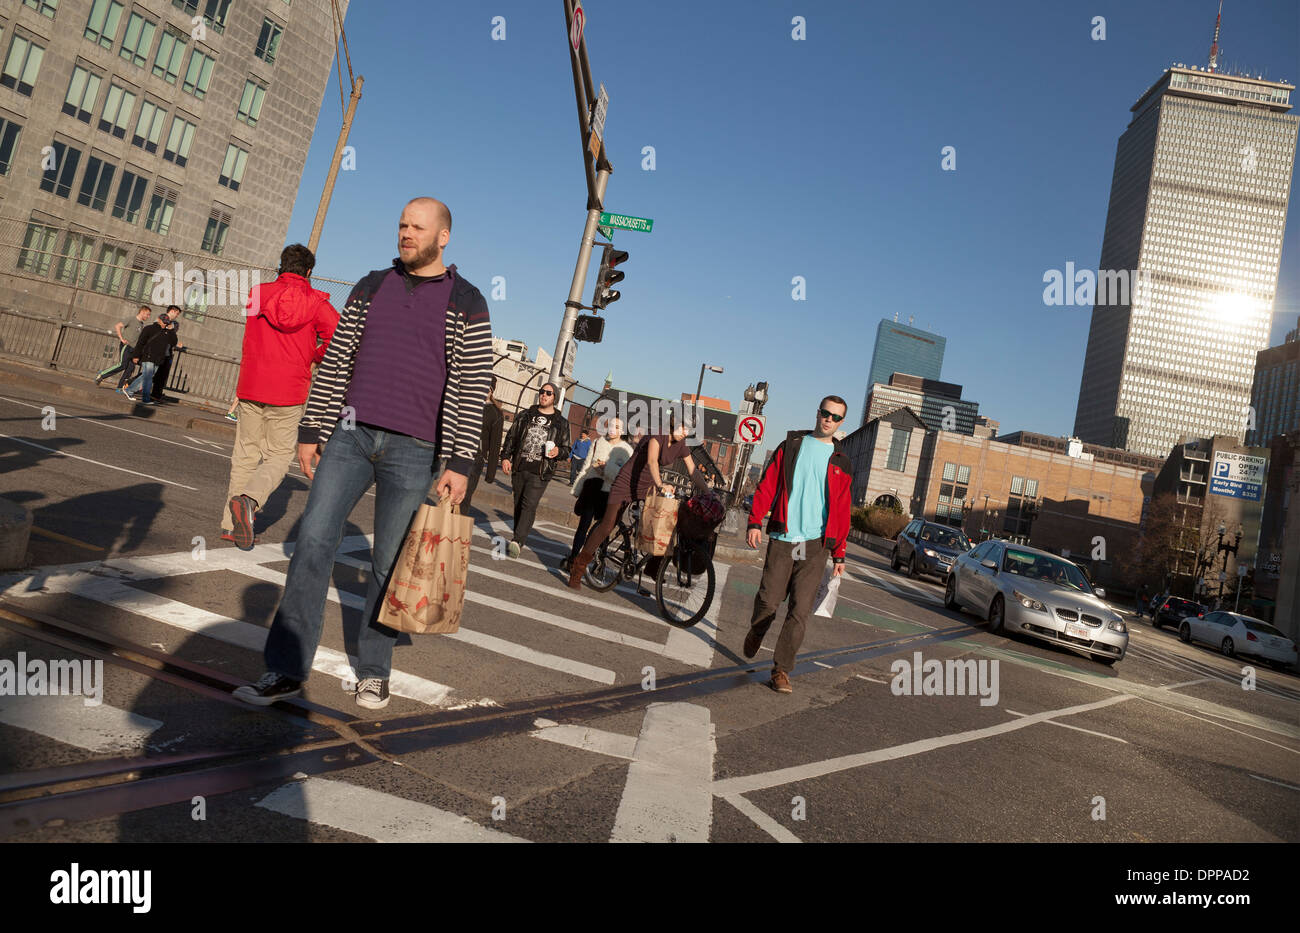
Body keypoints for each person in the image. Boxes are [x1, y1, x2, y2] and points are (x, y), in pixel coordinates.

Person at [233, 196, 492, 711]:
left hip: (416, 450)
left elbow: (473, 386)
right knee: (311, 541)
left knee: (388, 564)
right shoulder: (372, 285)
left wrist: (461, 462)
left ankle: (373, 671)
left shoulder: (467, 300)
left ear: (444, 237)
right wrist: (312, 427)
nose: (406, 233)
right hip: (350, 438)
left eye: (418, 227)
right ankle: (284, 670)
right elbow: (336, 362)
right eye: (401, 225)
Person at [222, 243, 338, 549]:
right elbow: (339, 337)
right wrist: (315, 355)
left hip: (252, 382)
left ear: (280, 266)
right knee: (278, 456)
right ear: (310, 272)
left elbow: (252, 332)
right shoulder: (318, 304)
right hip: (289, 388)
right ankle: (250, 500)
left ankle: (229, 524)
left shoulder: (256, 294)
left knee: (245, 454)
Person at [742, 396, 854, 694]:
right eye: (825, 413)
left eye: (836, 417)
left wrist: (840, 552)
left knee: (800, 610)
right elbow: (768, 484)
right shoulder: (792, 445)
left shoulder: (841, 462)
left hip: (816, 545)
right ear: (817, 413)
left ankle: (781, 670)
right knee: (768, 601)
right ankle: (758, 629)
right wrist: (755, 521)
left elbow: (843, 511)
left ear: (842, 422)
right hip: (783, 537)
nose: (829, 419)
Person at [567, 409, 707, 589]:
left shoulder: (682, 445)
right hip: (626, 482)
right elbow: (652, 461)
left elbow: (693, 471)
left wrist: (708, 491)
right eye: (684, 427)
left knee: (667, 521)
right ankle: (578, 566)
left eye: (689, 430)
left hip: (647, 486)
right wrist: (660, 485)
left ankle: (652, 567)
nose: (686, 432)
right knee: (607, 525)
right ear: (673, 423)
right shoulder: (658, 435)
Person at [499, 382, 571, 557]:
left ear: (555, 398)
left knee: (529, 504)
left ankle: (517, 540)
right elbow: (512, 437)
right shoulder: (525, 415)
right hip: (520, 466)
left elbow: (567, 449)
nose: (544, 395)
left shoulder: (561, 423)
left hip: (541, 471)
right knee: (519, 504)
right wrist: (505, 457)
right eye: (542, 392)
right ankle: (519, 537)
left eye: (548, 393)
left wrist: (557, 451)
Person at [563, 417, 633, 573]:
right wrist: (577, 488)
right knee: (583, 525)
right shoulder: (597, 443)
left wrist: (607, 468)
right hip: (592, 488)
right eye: (610, 426)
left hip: (610, 493)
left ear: (622, 431)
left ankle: (596, 562)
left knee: (603, 530)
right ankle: (574, 558)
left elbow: (624, 476)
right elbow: (587, 467)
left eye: (616, 426)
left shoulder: (626, 450)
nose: (612, 429)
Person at [462, 375, 503, 511]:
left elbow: (495, 444)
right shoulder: (468, 403)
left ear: (491, 390)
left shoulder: (496, 414)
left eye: (488, 388)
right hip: (459, 452)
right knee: (449, 491)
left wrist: (490, 473)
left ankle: (457, 526)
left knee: (465, 495)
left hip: (476, 458)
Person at [121, 316, 177, 406]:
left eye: (167, 323)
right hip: (148, 357)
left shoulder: (167, 332)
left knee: (146, 376)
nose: (165, 324)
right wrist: (136, 356)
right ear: (159, 320)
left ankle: (129, 390)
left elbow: (174, 342)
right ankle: (145, 399)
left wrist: (171, 330)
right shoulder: (149, 328)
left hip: (158, 359)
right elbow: (141, 342)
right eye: (164, 322)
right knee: (148, 377)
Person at [96, 305, 151, 388]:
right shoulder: (131, 319)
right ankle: (102, 374)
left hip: (134, 349)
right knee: (122, 364)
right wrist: (121, 338)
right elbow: (118, 326)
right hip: (126, 346)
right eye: (147, 314)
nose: (148, 317)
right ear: (142, 312)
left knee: (130, 368)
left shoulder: (141, 324)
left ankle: (120, 387)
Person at [150, 305, 185, 402]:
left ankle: (156, 395)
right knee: (150, 371)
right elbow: (159, 328)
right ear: (172, 311)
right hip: (157, 350)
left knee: (162, 374)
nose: (177, 315)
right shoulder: (160, 318)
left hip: (167, 351)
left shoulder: (175, 324)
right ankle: (131, 383)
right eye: (176, 313)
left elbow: (171, 330)